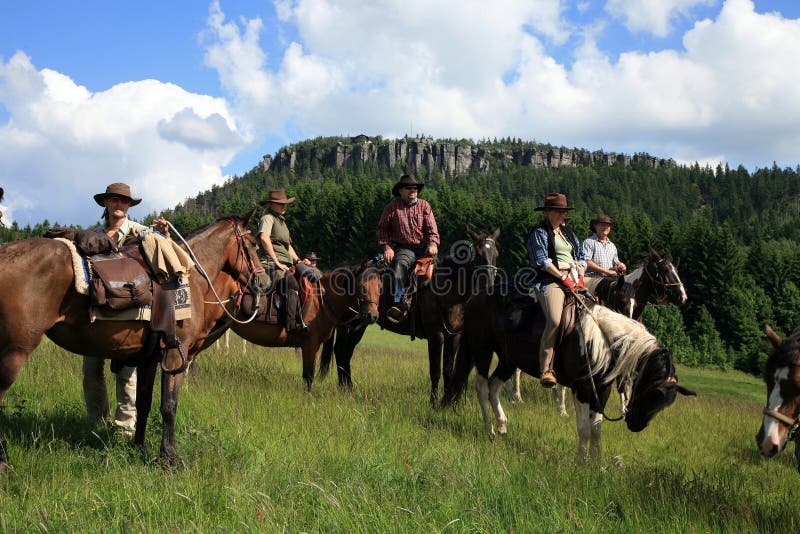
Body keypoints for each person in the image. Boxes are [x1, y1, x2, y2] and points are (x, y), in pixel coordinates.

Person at [84, 182, 170, 434]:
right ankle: (97, 422)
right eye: (114, 200)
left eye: (123, 200)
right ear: (106, 203)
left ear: (129, 205)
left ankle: (125, 428)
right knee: (91, 369)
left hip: (130, 311)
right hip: (98, 309)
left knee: (127, 371)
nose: (118, 204)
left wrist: (165, 233)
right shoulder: (94, 235)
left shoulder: (141, 232)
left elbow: (163, 251)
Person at [526, 193, 586, 388]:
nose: (562, 214)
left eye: (564, 211)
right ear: (548, 212)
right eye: (559, 211)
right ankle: (546, 369)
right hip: (551, 281)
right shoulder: (539, 232)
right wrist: (562, 277)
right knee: (555, 319)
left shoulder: (569, 234)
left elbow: (581, 256)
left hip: (575, 278)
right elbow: (542, 261)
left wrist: (580, 271)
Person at [377, 174, 440, 323]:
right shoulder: (392, 207)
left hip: (425, 249)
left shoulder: (425, 206)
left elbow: (432, 230)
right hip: (404, 249)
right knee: (400, 264)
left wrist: (432, 244)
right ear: (400, 191)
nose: (413, 190)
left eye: (415, 188)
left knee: (441, 271)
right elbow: (382, 230)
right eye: (409, 188)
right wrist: (387, 247)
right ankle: (400, 302)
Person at [257, 189, 310, 334]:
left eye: (285, 204)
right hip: (269, 264)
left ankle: (306, 318)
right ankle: (291, 325)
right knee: (292, 283)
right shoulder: (267, 218)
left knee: (310, 276)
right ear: (271, 204)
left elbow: (287, 247)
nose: (284, 206)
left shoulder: (282, 222)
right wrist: (277, 262)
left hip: (285, 264)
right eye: (280, 204)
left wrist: (299, 260)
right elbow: (264, 238)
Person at [582, 214, 627, 293]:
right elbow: (586, 262)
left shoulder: (612, 246)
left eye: (608, 225)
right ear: (595, 226)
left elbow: (616, 263)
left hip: (608, 281)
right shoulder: (589, 242)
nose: (606, 227)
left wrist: (621, 266)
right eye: (603, 224)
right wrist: (606, 271)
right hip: (592, 280)